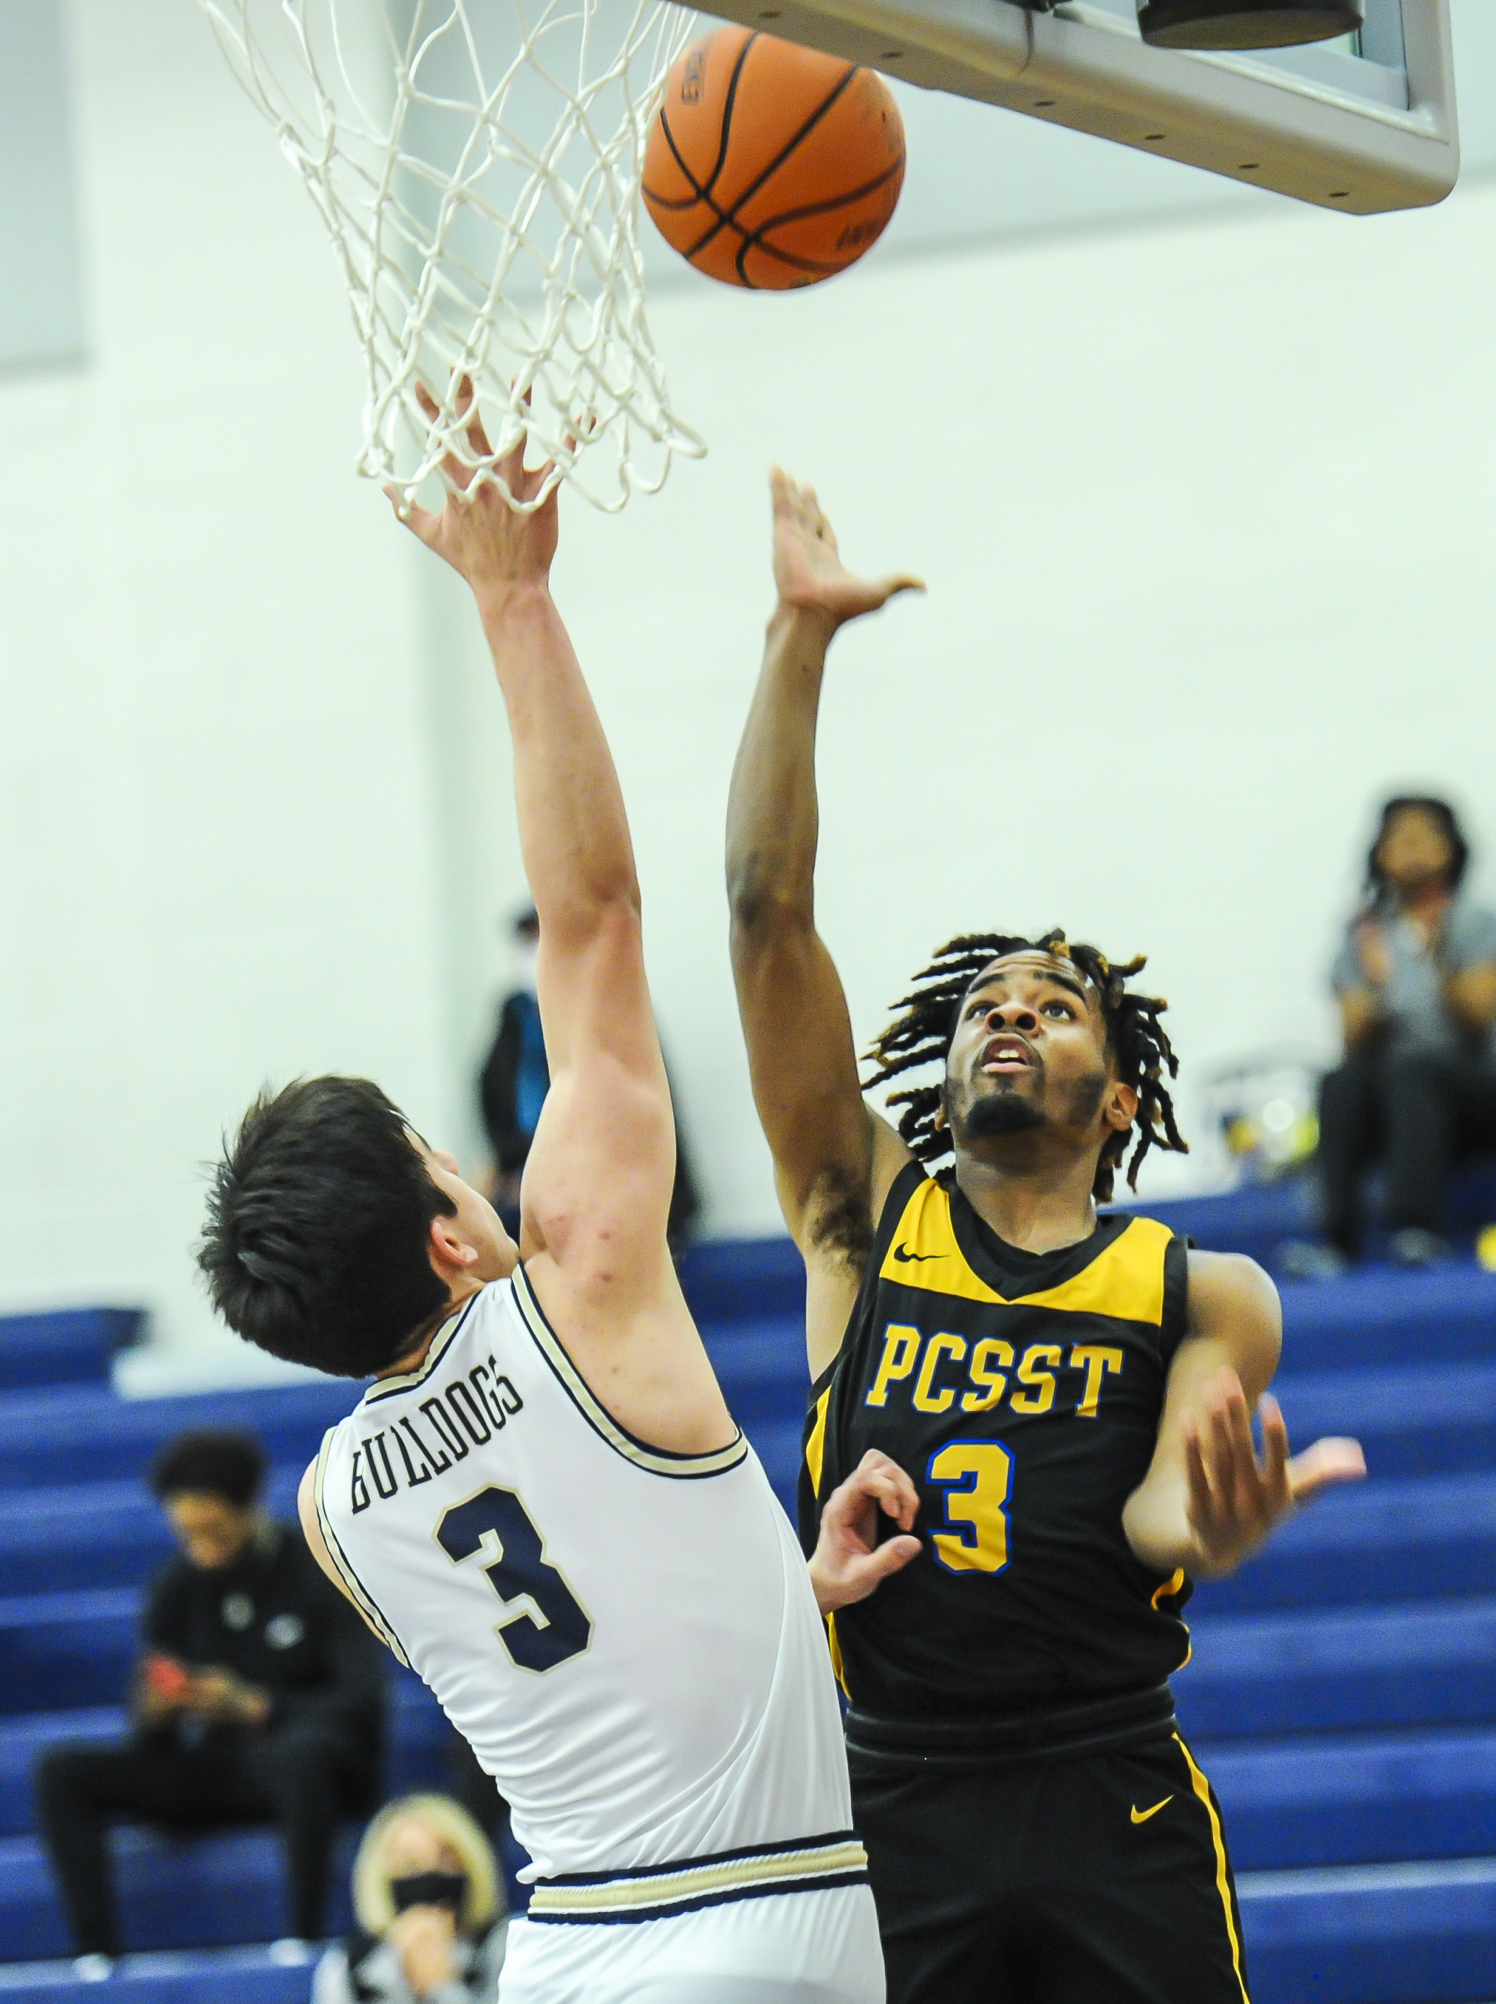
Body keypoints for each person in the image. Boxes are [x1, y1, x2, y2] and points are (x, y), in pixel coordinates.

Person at [196, 392, 914, 2004]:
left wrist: (777, 1594)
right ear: (452, 1229)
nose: (482, 1169)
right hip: (764, 1926)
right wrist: (512, 598)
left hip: (575, 1955)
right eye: (452, 1159)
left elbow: (583, 1635)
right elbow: (589, 918)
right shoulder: (577, 1283)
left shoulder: (332, 1513)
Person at [724, 468, 1368, 2004]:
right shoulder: (858, 1218)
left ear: (1121, 1090)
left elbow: (1155, 1515)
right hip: (887, 1791)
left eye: (1052, 1004)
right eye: (981, 1006)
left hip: (1110, 1788)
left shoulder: (1202, 1290)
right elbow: (763, 910)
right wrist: (797, 642)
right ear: (942, 1080)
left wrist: (1208, 1531)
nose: (1007, 1011)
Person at [35, 1429, 386, 1974]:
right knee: (61, 1771)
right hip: (218, 1766)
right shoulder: (176, 1585)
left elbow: (362, 1703)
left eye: (216, 1534)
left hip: (307, 1766)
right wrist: (155, 1711)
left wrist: (255, 1706)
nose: (202, 1550)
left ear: (252, 1508)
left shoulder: (316, 1569)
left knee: (304, 1756)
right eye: (187, 1535)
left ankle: (302, 1940)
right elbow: (153, 1741)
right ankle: (95, 1955)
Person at [1314, 795, 1496, 1269]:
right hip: (1398, 1095)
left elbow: (1478, 1019)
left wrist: (1436, 953)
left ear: (1450, 849)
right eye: (1399, 838)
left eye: (1424, 836)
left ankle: (1416, 1226)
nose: (1411, 847)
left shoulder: (1475, 923)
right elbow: (1353, 1038)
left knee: (1412, 1069)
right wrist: (1376, 986)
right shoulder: (1365, 936)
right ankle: (1336, 1240)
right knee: (1341, 1082)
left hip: (1475, 1091)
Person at [478, 904, 702, 1247]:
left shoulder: (609, 1007)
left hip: (612, 1183)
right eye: (526, 940)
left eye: (540, 938)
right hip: (537, 1185)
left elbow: (640, 1109)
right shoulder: (514, 1017)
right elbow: (493, 1095)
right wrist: (510, 1165)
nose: (533, 952)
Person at [313, 1794, 506, 2004]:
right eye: (410, 1865)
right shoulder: (347, 1968)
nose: (429, 1876)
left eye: (446, 1860)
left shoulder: (504, 1951)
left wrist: (442, 1986)